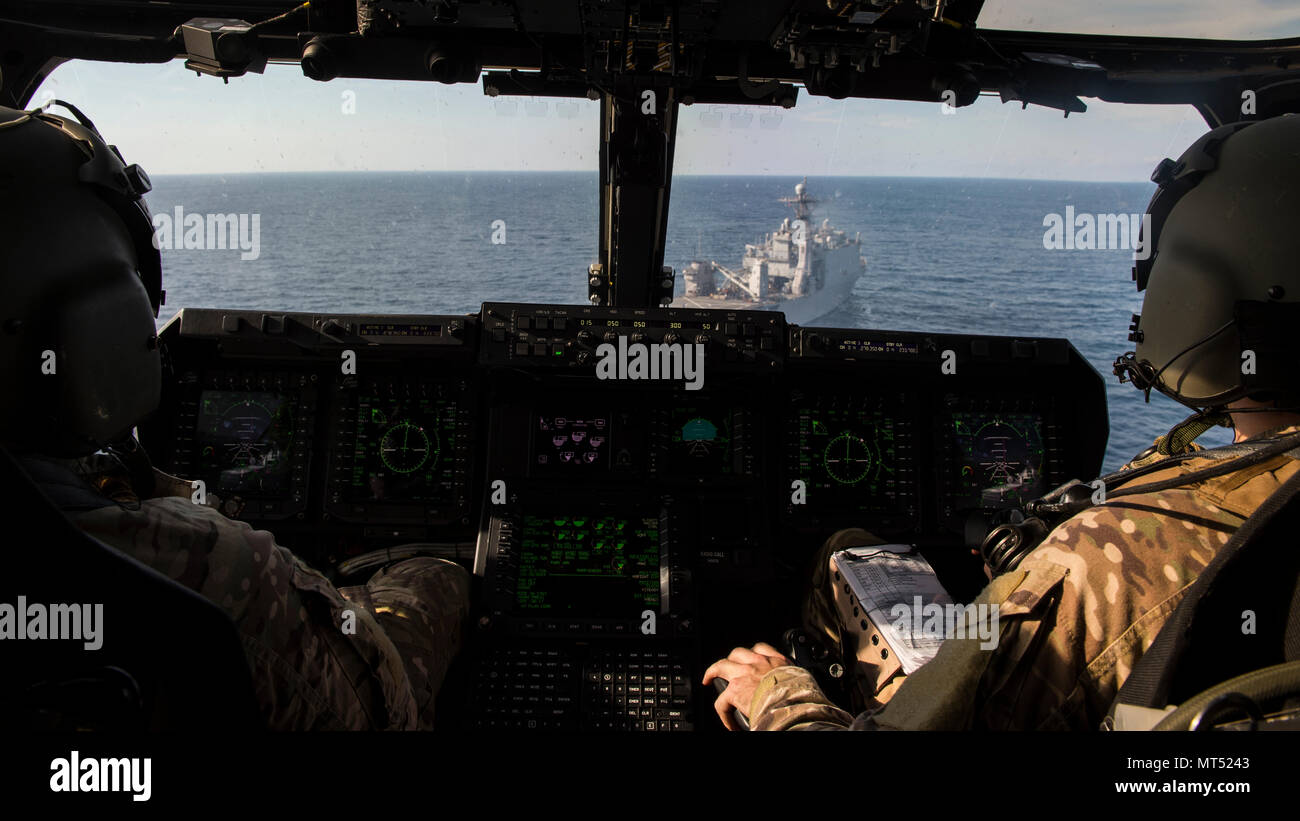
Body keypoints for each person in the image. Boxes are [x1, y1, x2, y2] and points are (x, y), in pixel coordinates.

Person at [704, 113, 1300, 731]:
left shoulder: (1104, 563)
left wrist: (778, 694)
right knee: (851, 546)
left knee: (847, 552)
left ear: (1190, 298)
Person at [0, 100, 469, 730]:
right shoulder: (219, 576)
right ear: (108, 323)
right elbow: (389, 714)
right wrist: (412, 580)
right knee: (433, 583)